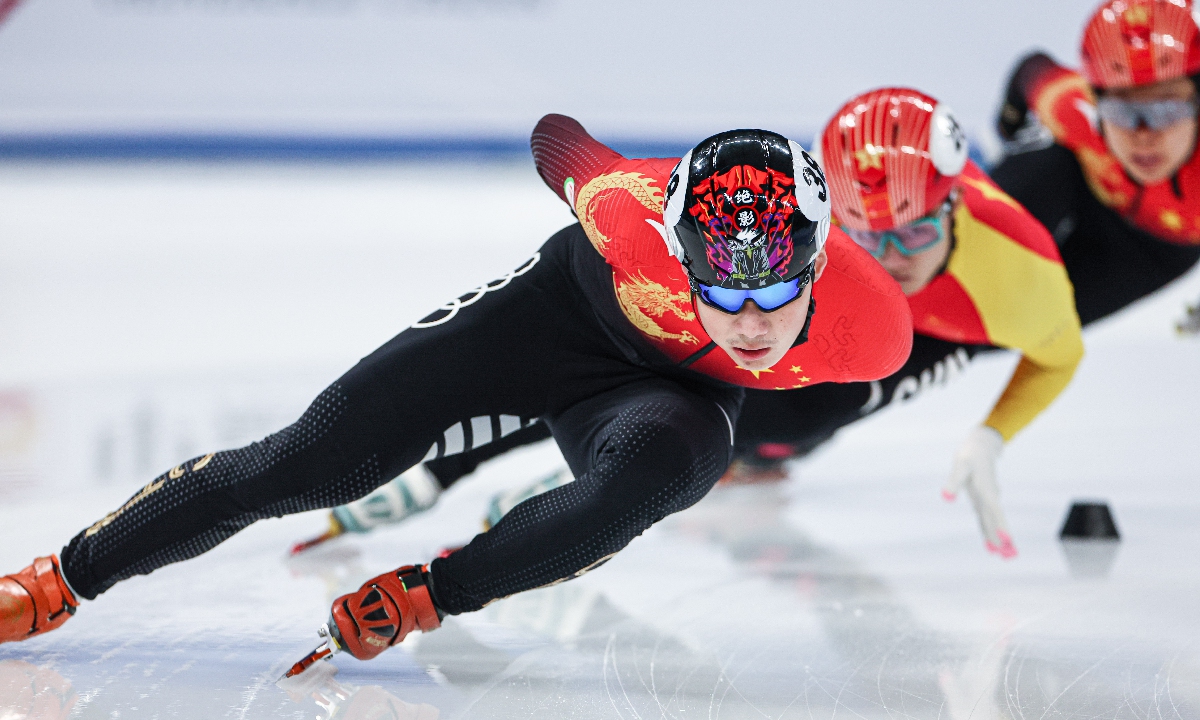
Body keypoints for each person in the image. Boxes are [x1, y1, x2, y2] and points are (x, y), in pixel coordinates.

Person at [0, 115, 912, 662]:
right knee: (308, 465)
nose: (750, 324)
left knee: (681, 463)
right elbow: (558, 139)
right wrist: (589, 163)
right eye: (723, 293)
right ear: (679, 256)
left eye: (774, 294)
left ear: (821, 261)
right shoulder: (629, 211)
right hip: (546, 320)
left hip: (662, 396)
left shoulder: (870, 332)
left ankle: (426, 596)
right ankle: (63, 579)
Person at [992, 0, 1200, 327]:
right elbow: (1031, 70)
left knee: (1016, 326)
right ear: (1096, 104)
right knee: (1044, 168)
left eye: (1167, 111)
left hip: (1155, 250)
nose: (1143, 135)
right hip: (1084, 188)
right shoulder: (1076, 112)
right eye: (1121, 112)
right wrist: (1009, 124)